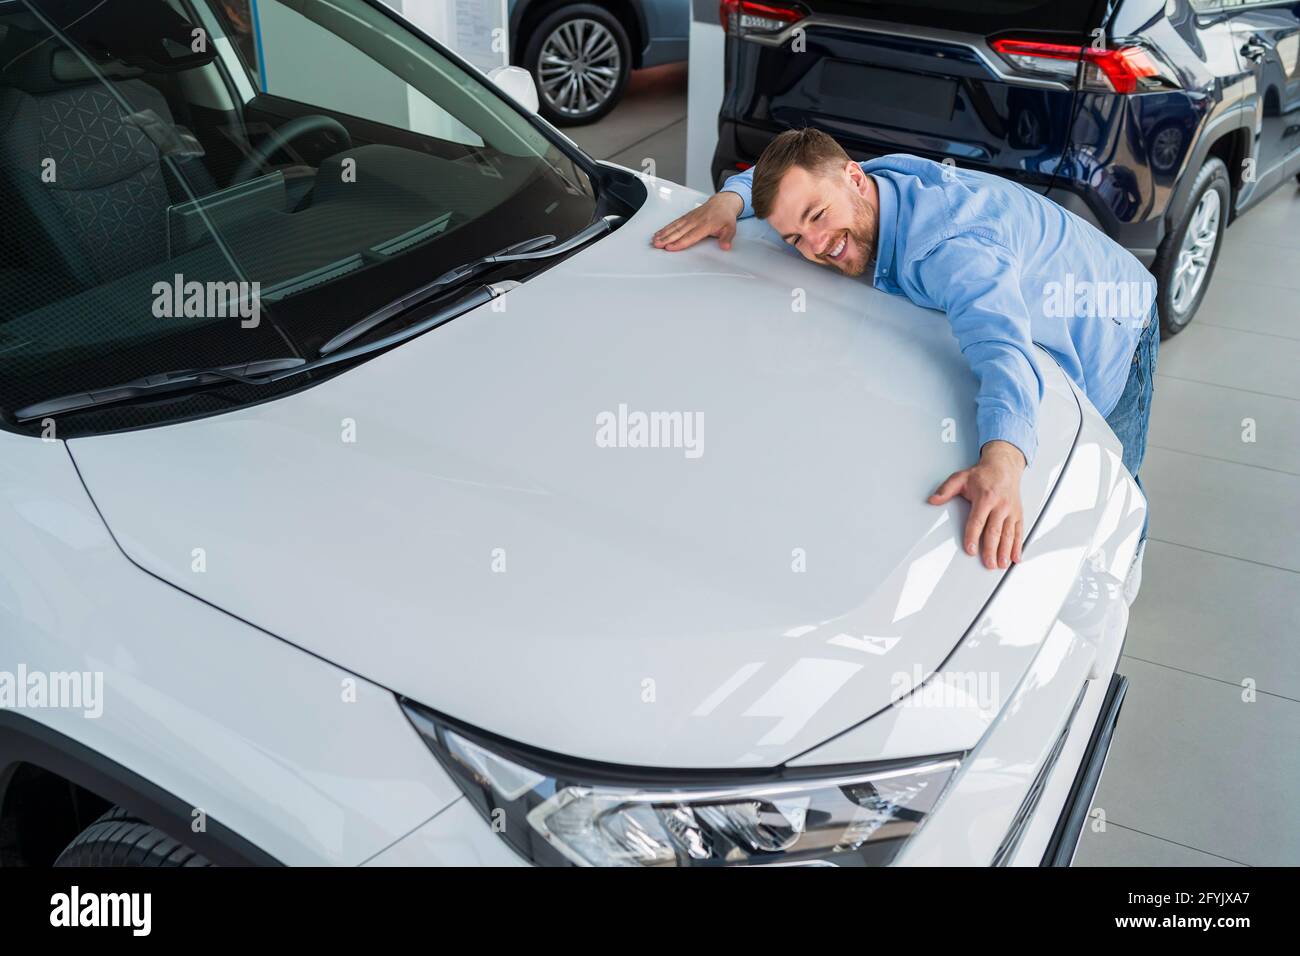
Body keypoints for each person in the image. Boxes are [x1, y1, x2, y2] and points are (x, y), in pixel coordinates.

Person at [653, 129, 1157, 583]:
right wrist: (730, 200)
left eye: (817, 218)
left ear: (853, 178)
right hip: (1036, 264)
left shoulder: (951, 246)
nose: (815, 247)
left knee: (1109, 480)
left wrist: (1002, 461)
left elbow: (1002, 348)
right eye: (794, 238)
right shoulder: (859, 186)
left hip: (1112, 316)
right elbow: (774, 183)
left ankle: (1121, 577)